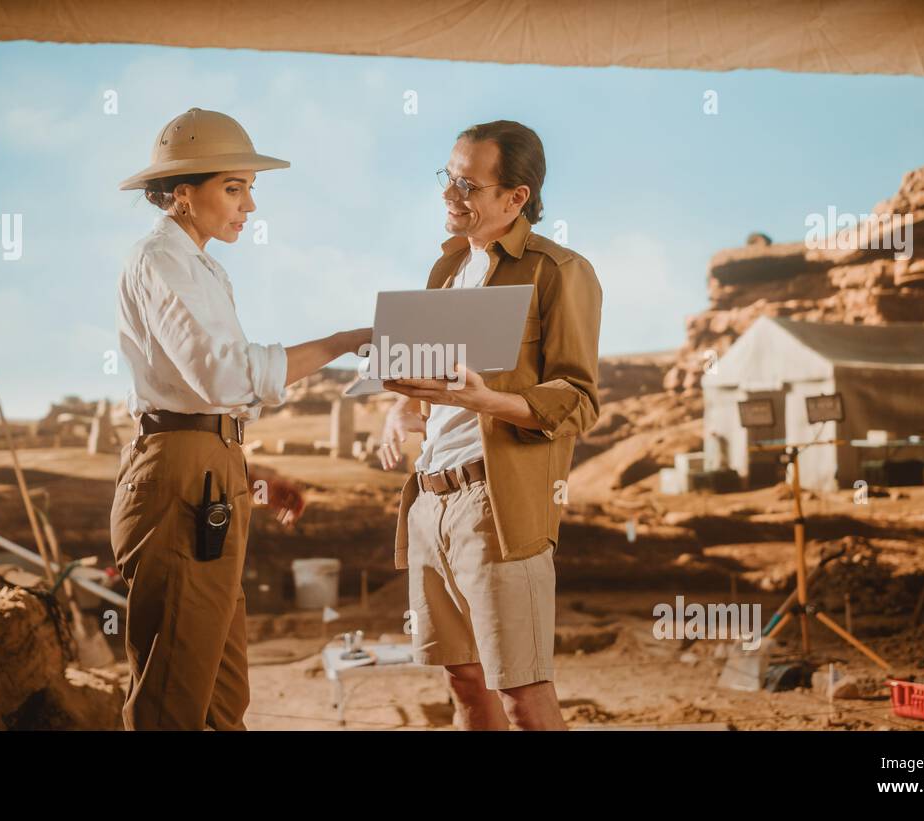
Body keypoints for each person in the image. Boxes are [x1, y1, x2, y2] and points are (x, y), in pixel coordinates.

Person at [113, 107, 368, 730]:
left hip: (207, 472)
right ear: (181, 194)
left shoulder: (201, 267)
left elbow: (214, 402)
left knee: (223, 700)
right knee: (174, 701)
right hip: (180, 478)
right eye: (234, 188)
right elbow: (221, 376)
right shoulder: (162, 261)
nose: (249, 206)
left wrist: (247, 473)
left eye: (250, 189)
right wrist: (339, 341)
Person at [379, 121, 602, 730]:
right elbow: (433, 387)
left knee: (521, 693)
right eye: (448, 178)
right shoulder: (445, 269)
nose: (451, 195)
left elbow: (578, 400)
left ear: (515, 197)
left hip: (495, 505)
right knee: (463, 680)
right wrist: (405, 406)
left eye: (468, 185)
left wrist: (489, 401)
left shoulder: (558, 271)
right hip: (429, 499)